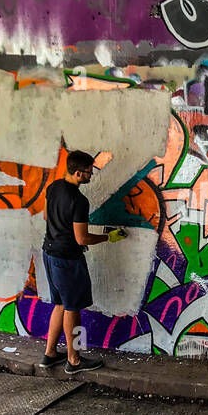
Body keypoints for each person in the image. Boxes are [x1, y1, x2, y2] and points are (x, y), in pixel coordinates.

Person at [40, 150, 125, 373]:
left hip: (49, 254)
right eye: (88, 173)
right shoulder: (79, 200)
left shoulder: (53, 187)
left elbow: (47, 217)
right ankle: (74, 360)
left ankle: (49, 354)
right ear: (78, 173)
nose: (91, 176)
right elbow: (82, 238)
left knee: (60, 304)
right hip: (67, 260)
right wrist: (108, 237)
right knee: (73, 308)